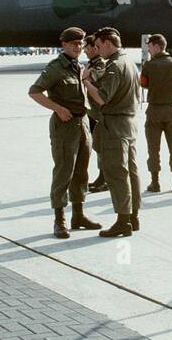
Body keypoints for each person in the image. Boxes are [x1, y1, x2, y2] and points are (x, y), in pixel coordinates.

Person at [28, 27, 102, 239]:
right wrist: (57, 108)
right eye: (73, 44)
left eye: (80, 44)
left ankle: (78, 215)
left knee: (81, 172)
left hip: (83, 125)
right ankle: (59, 220)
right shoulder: (55, 68)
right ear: (64, 45)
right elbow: (34, 92)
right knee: (63, 172)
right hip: (64, 127)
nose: (78, 47)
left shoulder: (79, 67)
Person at [83, 27, 141, 237]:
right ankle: (133, 217)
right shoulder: (129, 63)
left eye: (98, 46)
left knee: (116, 172)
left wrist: (87, 81)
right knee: (131, 171)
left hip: (115, 124)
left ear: (108, 43)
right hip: (128, 123)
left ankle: (123, 221)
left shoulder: (115, 66)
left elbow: (102, 98)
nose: (97, 50)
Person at [139, 34, 172, 192]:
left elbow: (143, 84)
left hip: (154, 110)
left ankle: (155, 182)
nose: (149, 50)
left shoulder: (149, 66)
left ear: (157, 47)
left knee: (153, 148)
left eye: (150, 47)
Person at [82, 35, 108, 193]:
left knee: (102, 146)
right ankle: (102, 176)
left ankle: (104, 178)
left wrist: (86, 75)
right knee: (98, 146)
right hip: (93, 112)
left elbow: (91, 78)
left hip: (100, 113)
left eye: (87, 47)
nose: (84, 50)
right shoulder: (92, 63)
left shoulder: (100, 64)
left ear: (95, 48)